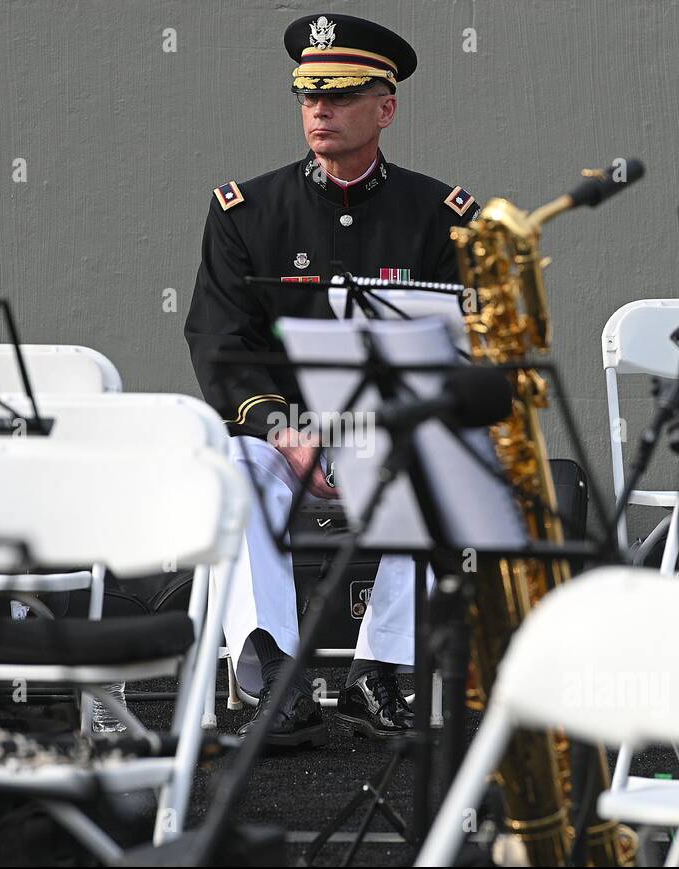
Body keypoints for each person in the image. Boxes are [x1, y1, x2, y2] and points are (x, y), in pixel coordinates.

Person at [184, 12, 478, 747]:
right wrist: (280, 428)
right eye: (310, 96)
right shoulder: (245, 214)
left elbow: (458, 349)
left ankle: (377, 671)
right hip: (279, 429)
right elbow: (219, 341)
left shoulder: (440, 217)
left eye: (341, 95)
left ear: (385, 108)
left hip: (389, 426)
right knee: (231, 466)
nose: (320, 110)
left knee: (441, 463)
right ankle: (272, 675)